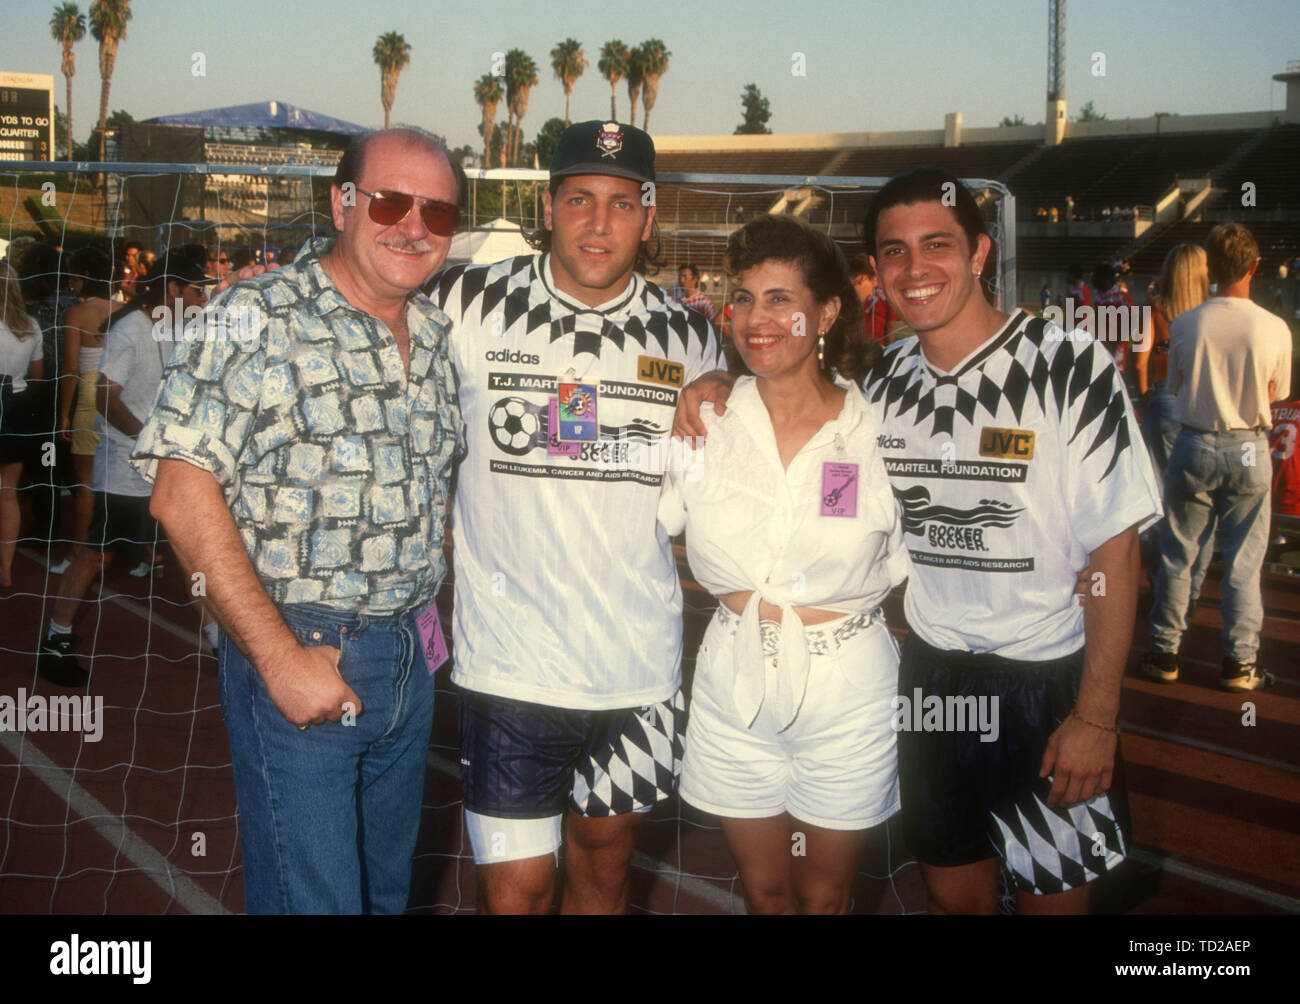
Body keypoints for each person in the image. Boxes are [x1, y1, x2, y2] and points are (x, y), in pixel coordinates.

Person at [676, 168, 1162, 914]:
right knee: (953, 899)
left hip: (1044, 682)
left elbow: (1116, 554)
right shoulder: (884, 384)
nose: (914, 268)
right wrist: (711, 379)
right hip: (931, 682)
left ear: (979, 251)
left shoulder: (1071, 366)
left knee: (1055, 905)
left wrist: (1097, 715)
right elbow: (787, 380)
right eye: (894, 251)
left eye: (935, 245)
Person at [132, 129, 466, 914]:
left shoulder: (439, 338)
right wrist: (279, 659)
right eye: (390, 200)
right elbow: (179, 493)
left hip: (411, 660)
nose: (413, 225)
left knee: (385, 896)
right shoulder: (254, 314)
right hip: (305, 648)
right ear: (341, 203)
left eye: (438, 212)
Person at [427, 120, 723, 914]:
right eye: (580, 200)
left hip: (638, 665)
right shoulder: (465, 301)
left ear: (650, 216)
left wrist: (723, 389)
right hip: (510, 669)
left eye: (622, 204)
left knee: (603, 867)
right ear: (549, 206)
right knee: (517, 893)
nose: (600, 223)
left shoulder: (692, 335)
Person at [658, 215, 906, 914]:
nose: (754, 318)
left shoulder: (878, 428)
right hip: (733, 679)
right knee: (765, 893)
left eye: (779, 299)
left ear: (826, 311)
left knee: (824, 899)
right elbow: (637, 521)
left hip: (847, 689)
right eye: (742, 298)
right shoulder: (705, 420)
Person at [36, 247, 211, 684]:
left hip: (164, 468)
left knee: (190, 553)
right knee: (97, 556)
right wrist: (144, 436)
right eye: (196, 290)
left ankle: (219, 640)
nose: (203, 299)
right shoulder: (132, 330)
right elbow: (104, 395)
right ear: (173, 289)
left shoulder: (176, 328)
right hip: (125, 469)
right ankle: (55, 641)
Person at [1140, 223, 1292, 691]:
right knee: (1245, 563)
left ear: (1212, 268)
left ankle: (1164, 653)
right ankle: (1239, 664)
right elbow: (1277, 393)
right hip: (1248, 442)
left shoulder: (1187, 322)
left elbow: (1176, 387)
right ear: (1253, 267)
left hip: (1194, 440)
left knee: (1178, 554)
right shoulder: (1274, 326)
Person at [57, 248, 123, 574]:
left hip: (87, 393)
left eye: (73, 276)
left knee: (85, 482)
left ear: (83, 278)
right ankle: (132, 555)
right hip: (118, 394)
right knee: (119, 481)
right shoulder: (124, 311)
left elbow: (70, 369)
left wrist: (63, 412)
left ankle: (77, 553)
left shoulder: (75, 314)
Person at [0, 263, 44, 588]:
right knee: (8, 494)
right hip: (17, 407)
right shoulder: (31, 326)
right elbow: (39, 376)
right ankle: (6, 569)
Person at [848, 253, 897, 347]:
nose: (871, 293)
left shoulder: (840, 295)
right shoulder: (839, 302)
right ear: (863, 278)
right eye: (872, 285)